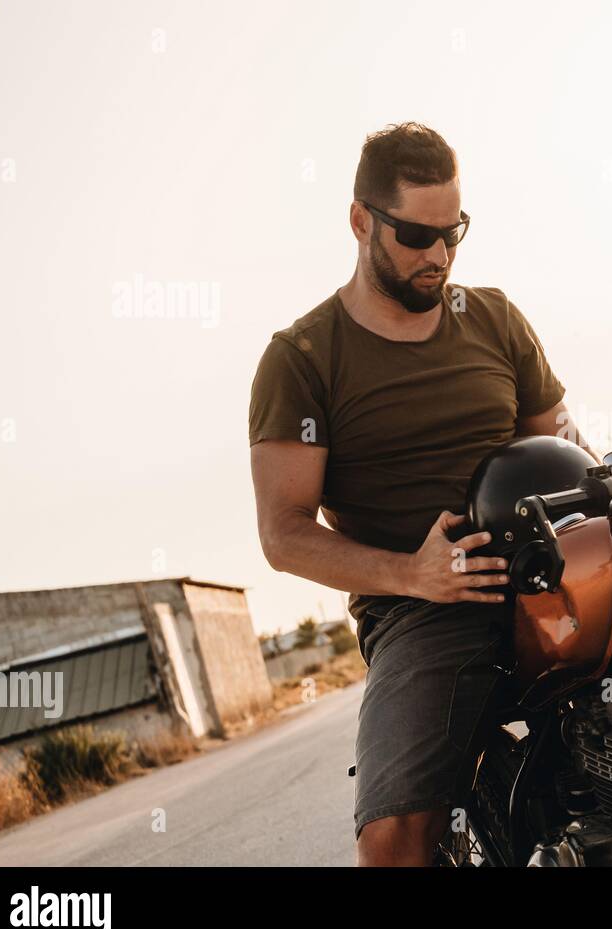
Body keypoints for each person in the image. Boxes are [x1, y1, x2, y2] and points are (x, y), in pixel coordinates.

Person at [248, 122, 589, 865]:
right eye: (415, 235)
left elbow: (565, 445)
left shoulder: (494, 317)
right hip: (423, 611)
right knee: (393, 841)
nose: (438, 255)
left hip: (557, 573)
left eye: (453, 233)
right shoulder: (303, 358)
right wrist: (414, 574)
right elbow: (282, 532)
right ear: (361, 220)